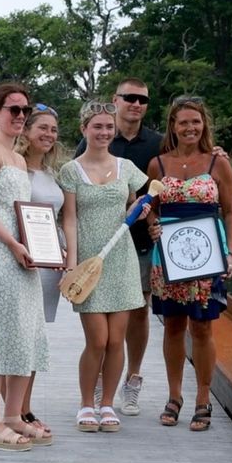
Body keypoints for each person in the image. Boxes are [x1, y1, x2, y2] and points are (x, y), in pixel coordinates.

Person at [0, 103, 67, 440]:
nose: (20, 114)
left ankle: (14, 415)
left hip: (26, 254)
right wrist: (11, 242)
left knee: (28, 333)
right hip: (0, 253)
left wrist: (50, 247)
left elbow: (23, 213)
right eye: (14, 108)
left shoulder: (19, 160)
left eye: (25, 108)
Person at [147, 96, 232, 431]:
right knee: (172, 326)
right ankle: (174, 396)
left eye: (195, 122)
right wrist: (152, 224)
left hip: (207, 256)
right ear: (173, 125)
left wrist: (230, 253)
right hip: (168, 257)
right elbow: (150, 207)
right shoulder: (158, 164)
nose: (190, 128)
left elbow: (231, 212)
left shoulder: (218, 163)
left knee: (202, 327)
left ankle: (203, 398)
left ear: (204, 125)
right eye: (183, 122)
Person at [58, 101, 148, 433]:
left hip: (121, 262)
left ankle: (107, 404)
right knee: (97, 340)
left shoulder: (128, 168)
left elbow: (134, 205)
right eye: (97, 126)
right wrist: (71, 265)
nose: (104, 132)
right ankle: (86, 403)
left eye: (109, 127)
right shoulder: (70, 171)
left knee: (115, 341)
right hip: (88, 266)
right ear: (84, 129)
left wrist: (141, 209)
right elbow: (69, 220)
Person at [73, 79, 160, 417]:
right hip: (94, 251)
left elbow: (154, 189)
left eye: (143, 99)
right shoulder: (86, 146)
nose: (136, 104)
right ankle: (95, 388)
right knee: (99, 335)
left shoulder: (156, 143)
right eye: (130, 98)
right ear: (116, 100)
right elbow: (68, 200)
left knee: (137, 314)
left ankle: (129, 383)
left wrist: (152, 222)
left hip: (136, 247)